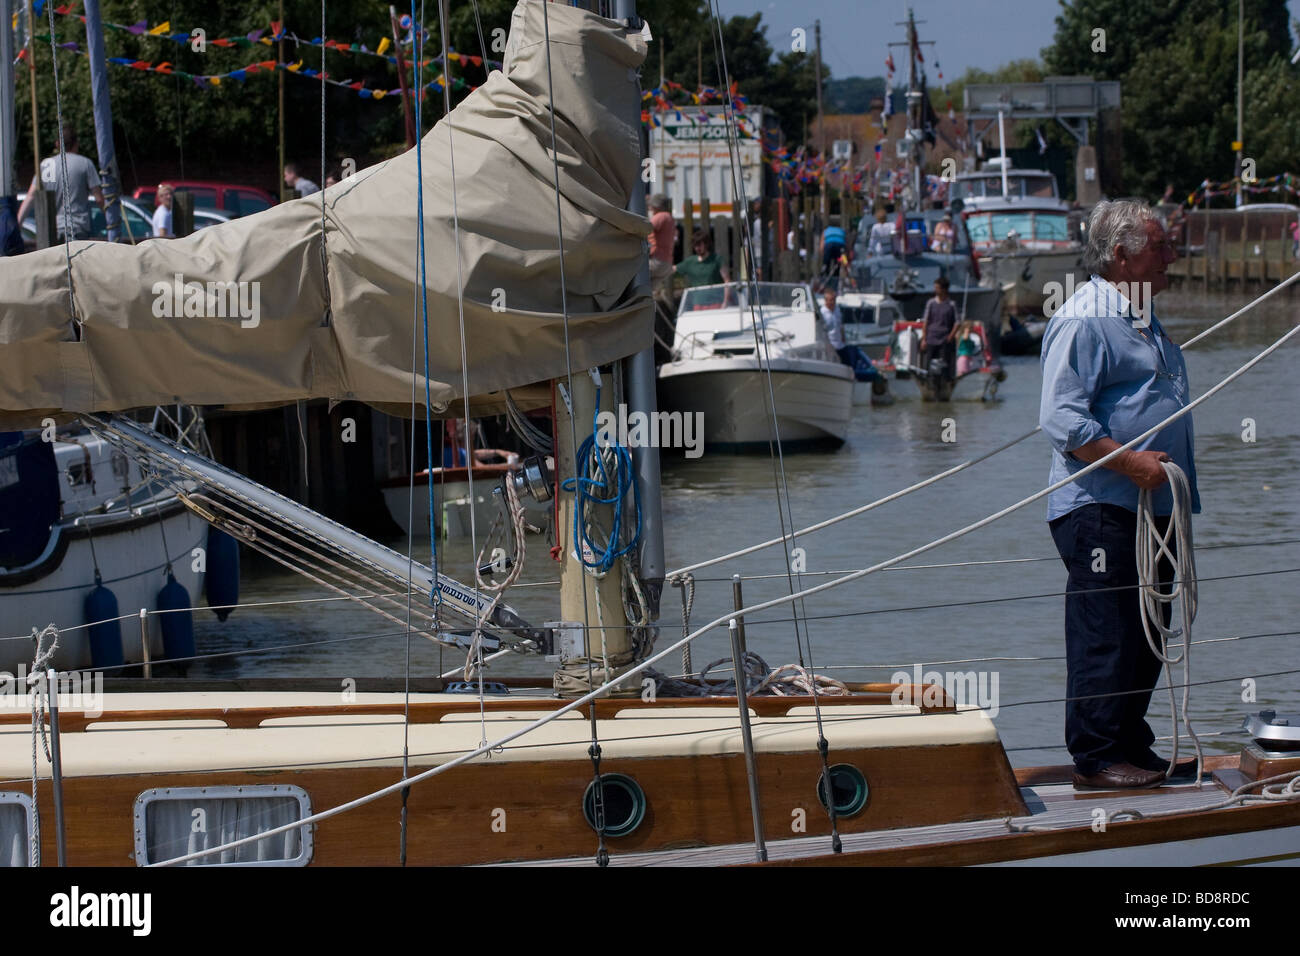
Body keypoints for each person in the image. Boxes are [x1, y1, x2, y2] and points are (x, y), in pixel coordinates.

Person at [1039, 198, 1198, 790]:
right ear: (1125, 257)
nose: (1173, 257)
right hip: (1103, 509)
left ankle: (1131, 741)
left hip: (1152, 510)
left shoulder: (1140, 314)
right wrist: (1129, 461)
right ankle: (1099, 757)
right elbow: (1060, 418)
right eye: (1162, 247)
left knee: (1147, 633)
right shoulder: (1085, 317)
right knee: (1106, 632)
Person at [16, 124, 105, 241]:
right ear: (76, 144)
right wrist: (111, 221)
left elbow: (30, 197)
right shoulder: (85, 164)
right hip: (77, 228)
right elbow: (99, 199)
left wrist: (17, 225)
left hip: (51, 230)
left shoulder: (46, 165)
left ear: (57, 144)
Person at [820, 287, 883, 389]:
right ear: (825, 301)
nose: (832, 302)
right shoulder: (822, 313)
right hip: (829, 345)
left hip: (840, 344)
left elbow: (840, 326)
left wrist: (843, 337)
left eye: (833, 300)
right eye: (830, 300)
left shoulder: (837, 310)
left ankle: (851, 384)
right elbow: (822, 331)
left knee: (848, 365)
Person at [919, 276, 958, 381]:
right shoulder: (931, 303)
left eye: (937, 288)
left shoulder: (951, 304)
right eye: (935, 288)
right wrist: (924, 338)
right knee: (930, 365)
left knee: (944, 365)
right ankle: (930, 384)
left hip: (944, 339)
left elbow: (957, 323)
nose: (935, 290)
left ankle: (944, 384)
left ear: (944, 289)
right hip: (931, 338)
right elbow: (926, 321)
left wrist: (950, 337)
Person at [646, 194, 675, 302]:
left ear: (656, 206)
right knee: (647, 292)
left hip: (656, 261)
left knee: (629, 271)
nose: (650, 208)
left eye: (651, 206)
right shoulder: (669, 217)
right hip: (666, 264)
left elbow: (646, 227)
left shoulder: (661, 216)